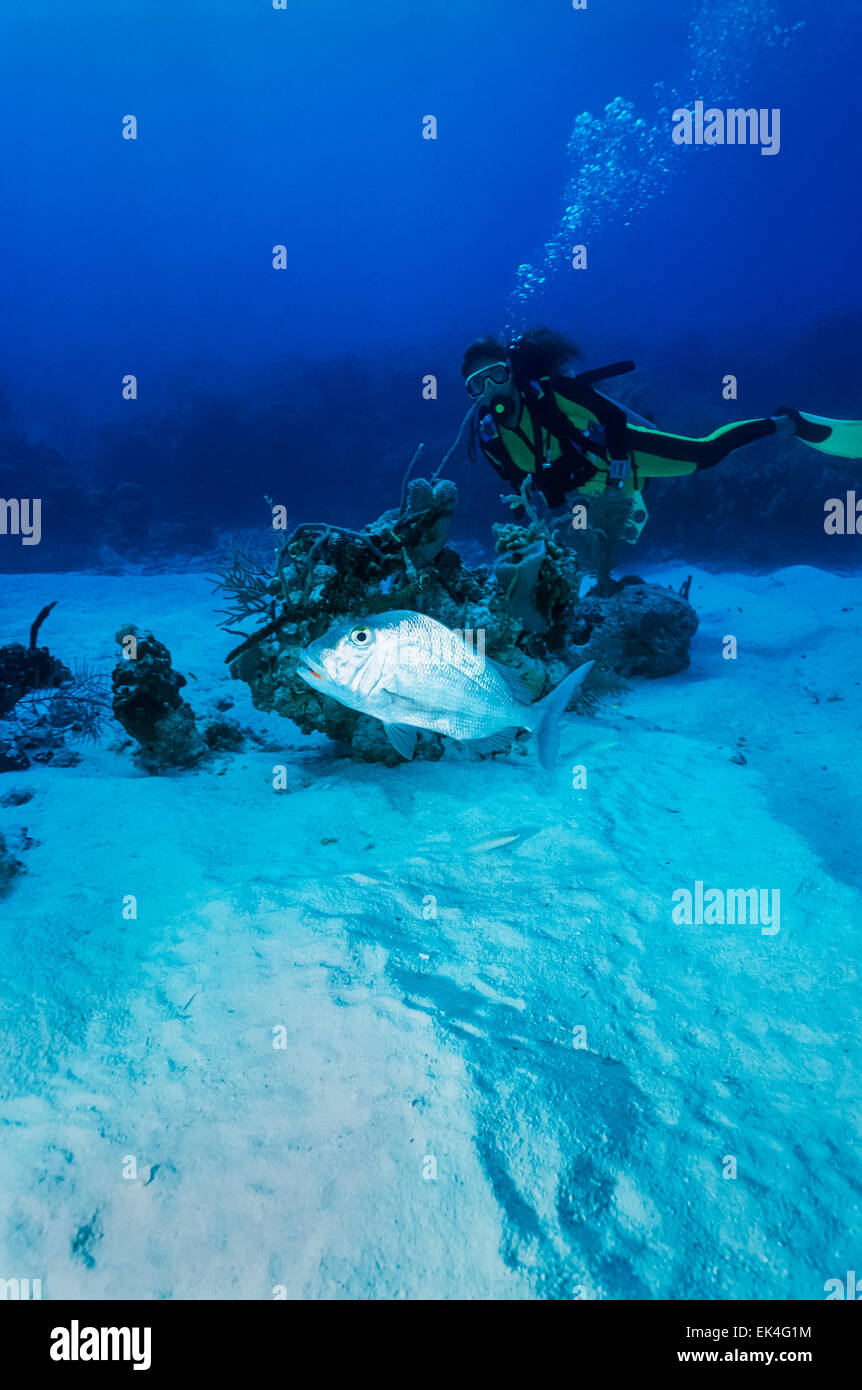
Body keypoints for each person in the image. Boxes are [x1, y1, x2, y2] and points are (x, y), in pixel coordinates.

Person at [461, 326, 862, 540]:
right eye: (477, 385)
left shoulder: (551, 394)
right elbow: (517, 486)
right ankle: (634, 492)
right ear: (472, 395)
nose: (491, 390)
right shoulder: (490, 437)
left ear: (511, 372)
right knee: (637, 497)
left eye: (495, 374)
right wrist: (525, 529)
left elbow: (612, 419)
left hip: (617, 456)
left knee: (704, 455)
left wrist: (618, 468)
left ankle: (787, 421)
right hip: (592, 483)